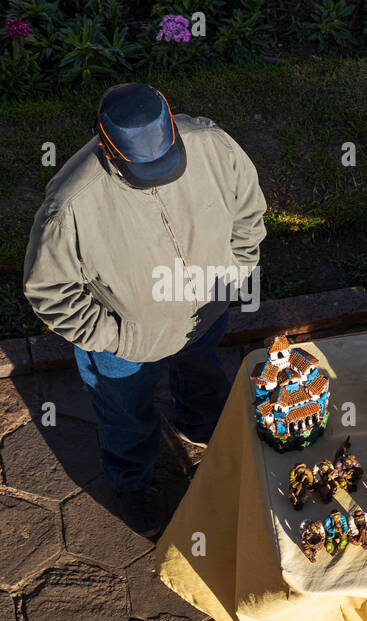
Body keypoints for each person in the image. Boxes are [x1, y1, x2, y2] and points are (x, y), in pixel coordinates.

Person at [23, 83, 267, 536]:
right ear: (109, 149)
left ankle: (200, 426)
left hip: (206, 313)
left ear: (173, 130)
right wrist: (116, 337)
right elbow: (50, 291)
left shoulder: (214, 146)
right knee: (126, 417)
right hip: (125, 345)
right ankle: (131, 482)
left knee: (204, 377)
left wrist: (237, 272)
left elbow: (247, 212)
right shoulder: (68, 206)